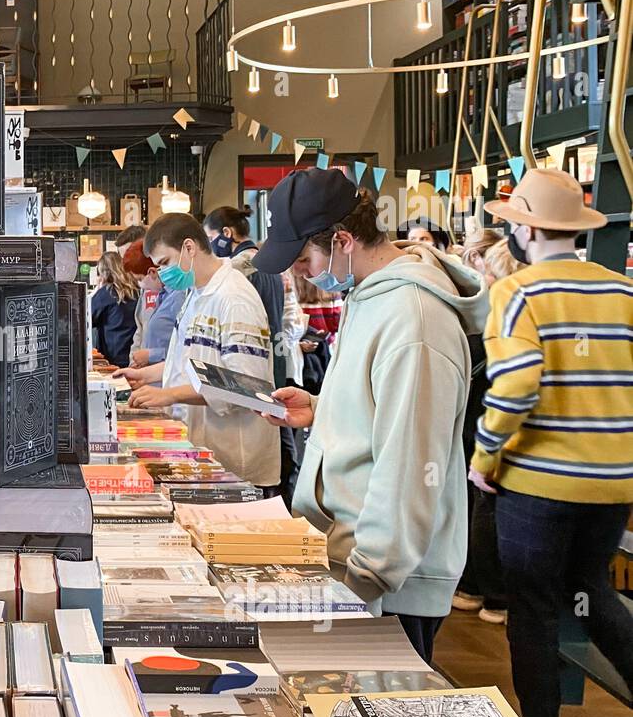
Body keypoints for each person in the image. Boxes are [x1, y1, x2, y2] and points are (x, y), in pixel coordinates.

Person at [252, 169, 488, 663]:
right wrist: (320, 411)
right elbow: (382, 414)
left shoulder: (415, 320)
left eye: (305, 260)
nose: (301, 273)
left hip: (386, 583)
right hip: (349, 558)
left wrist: (365, 581)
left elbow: (409, 465)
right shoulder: (368, 294)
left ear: (342, 241)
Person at [470, 168, 633, 717]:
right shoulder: (622, 291)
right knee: (591, 593)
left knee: (533, 608)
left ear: (529, 231)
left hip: (539, 481)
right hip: (613, 482)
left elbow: (515, 384)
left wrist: (485, 459)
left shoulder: (518, 292)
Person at [113, 213, 280, 493]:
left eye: (165, 263)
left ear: (189, 248)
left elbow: (245, 385)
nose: (163, 273)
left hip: (236, 459)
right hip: (203, 451)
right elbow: (187, 360)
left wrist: (169, 394)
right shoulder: (195, 293)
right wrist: (145, 374)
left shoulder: (234, 298)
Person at [205, 205, 302, 504]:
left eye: (210, 238)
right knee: (282, 435)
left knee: (267, 432)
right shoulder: (267, 262)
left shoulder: (236, 271)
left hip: (250, 358)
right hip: (276, 353)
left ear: (226, 234)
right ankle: (286, 493)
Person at [453, 229, 519, 623]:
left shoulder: (480, 311)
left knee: (476, 504)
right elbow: (518, 384)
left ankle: (474, 587)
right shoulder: (509, 312)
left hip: (475, 419)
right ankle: (493, 595)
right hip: (491, 425)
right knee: (487, 506)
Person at [90, 250, 140, 368]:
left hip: (112, 358)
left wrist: (97, 291)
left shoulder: (106, 293)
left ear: (103, 272)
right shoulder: (136, 289)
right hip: (134, 354)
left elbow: (87, 320)